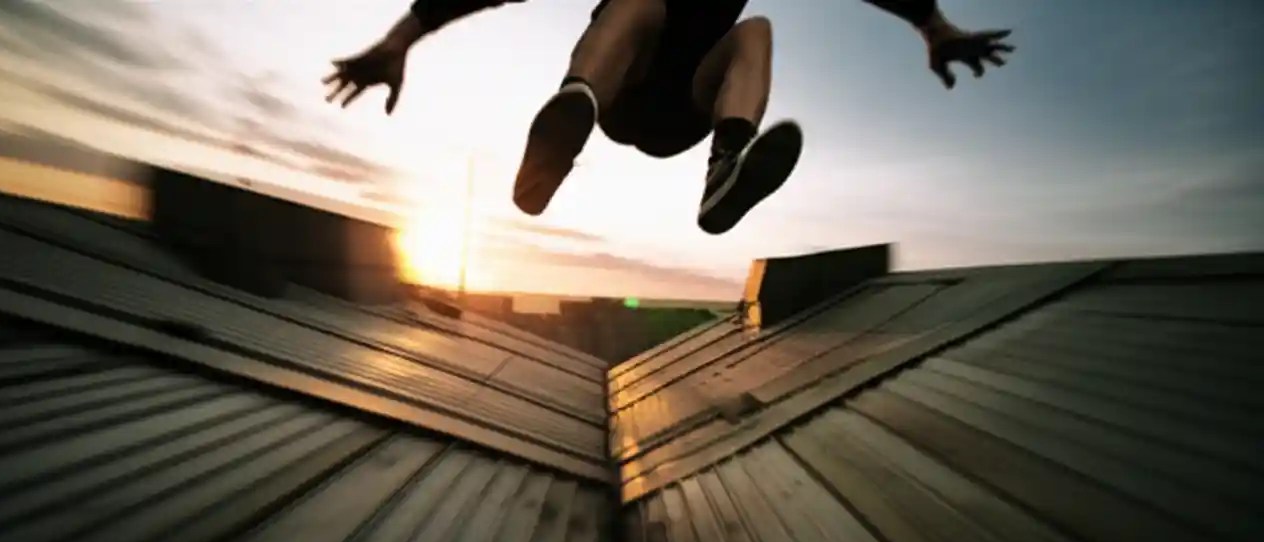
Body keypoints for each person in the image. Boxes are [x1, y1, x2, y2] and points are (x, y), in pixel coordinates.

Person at [324, 0, 1014, 235]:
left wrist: (933, 26)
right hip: (623, 88)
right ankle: (567, 124)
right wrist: (397, 41)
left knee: (754, 32)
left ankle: (726, 170)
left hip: (691, 106)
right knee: (638, 1)